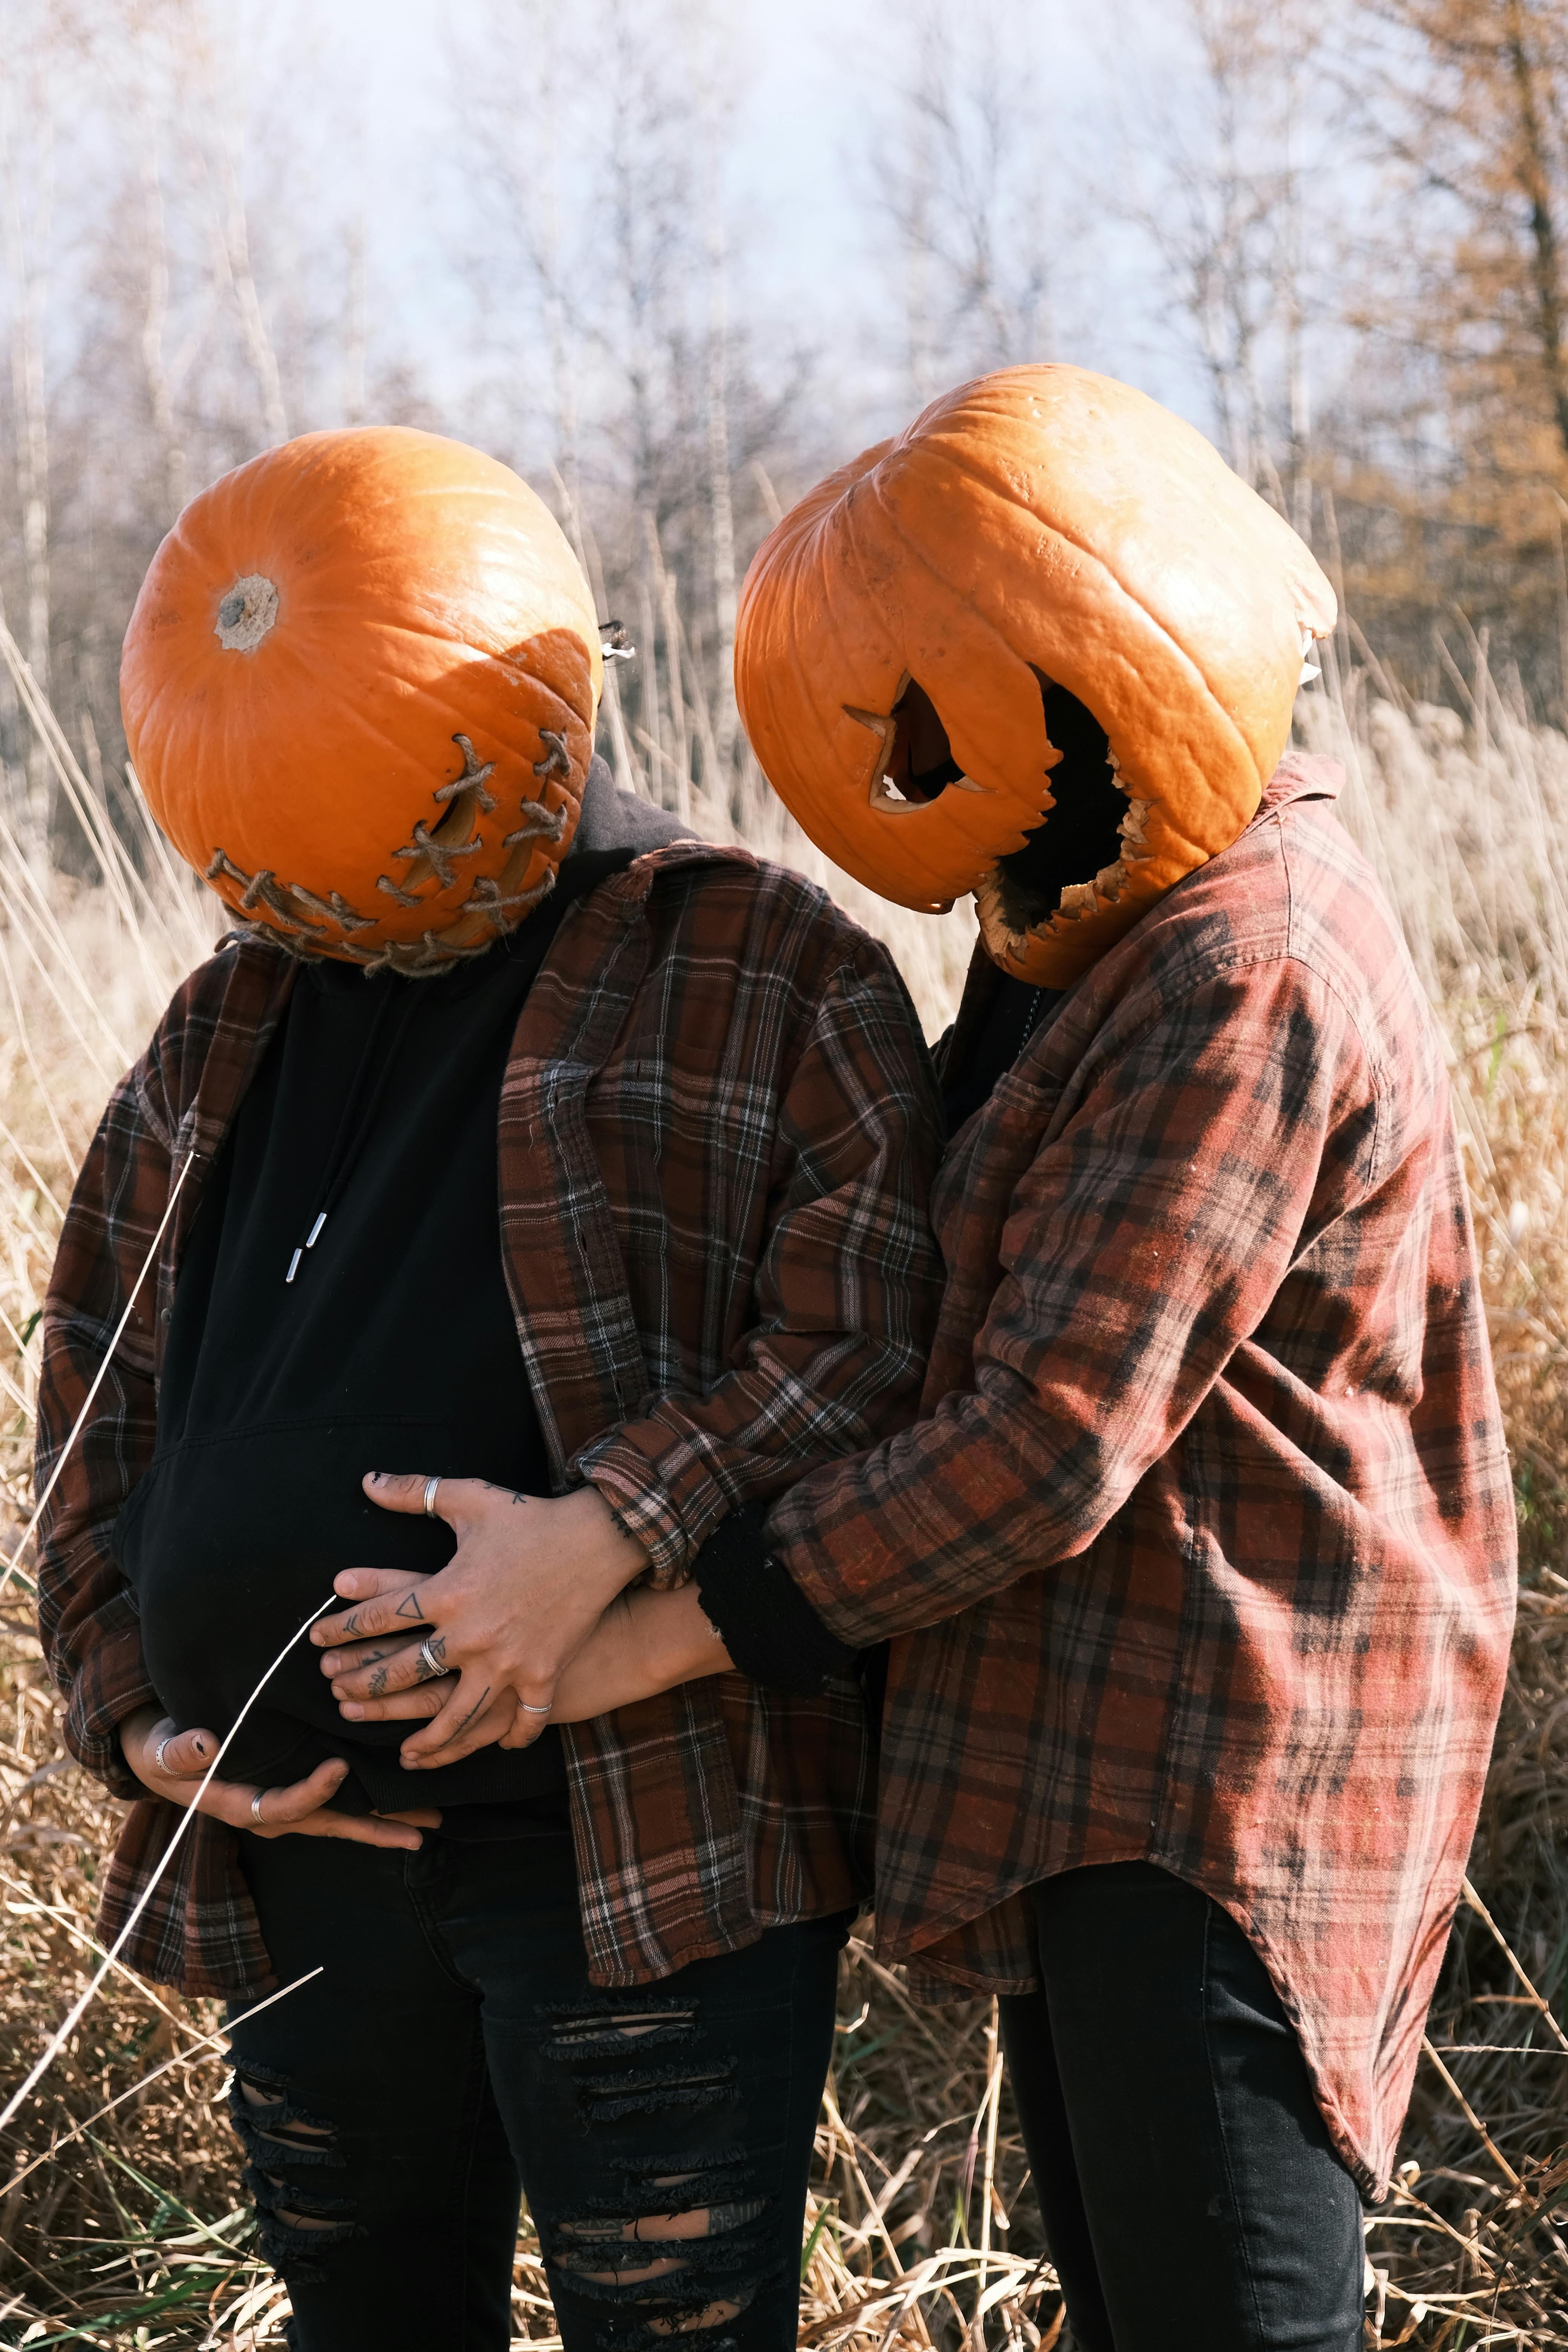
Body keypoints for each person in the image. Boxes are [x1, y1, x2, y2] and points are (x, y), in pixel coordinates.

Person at [337, 372, 1519, 2352]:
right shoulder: (1088, 917)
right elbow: (918, 1292)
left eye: (903, 723)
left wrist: (624, 1637)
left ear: (1077, 670)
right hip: (1096, 1774)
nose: (881, 780)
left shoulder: (1247, 961)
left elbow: (1042, 1439)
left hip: (1223, 1786)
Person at [34, 425, 943, 2352]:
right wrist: (131, 1719)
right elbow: (92, 1393)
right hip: (296, 1870)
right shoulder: (229, 1018)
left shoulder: (755, 959)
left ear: (523, 706)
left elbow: (872, 1340)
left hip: (631, 1854)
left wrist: (613, 1524)